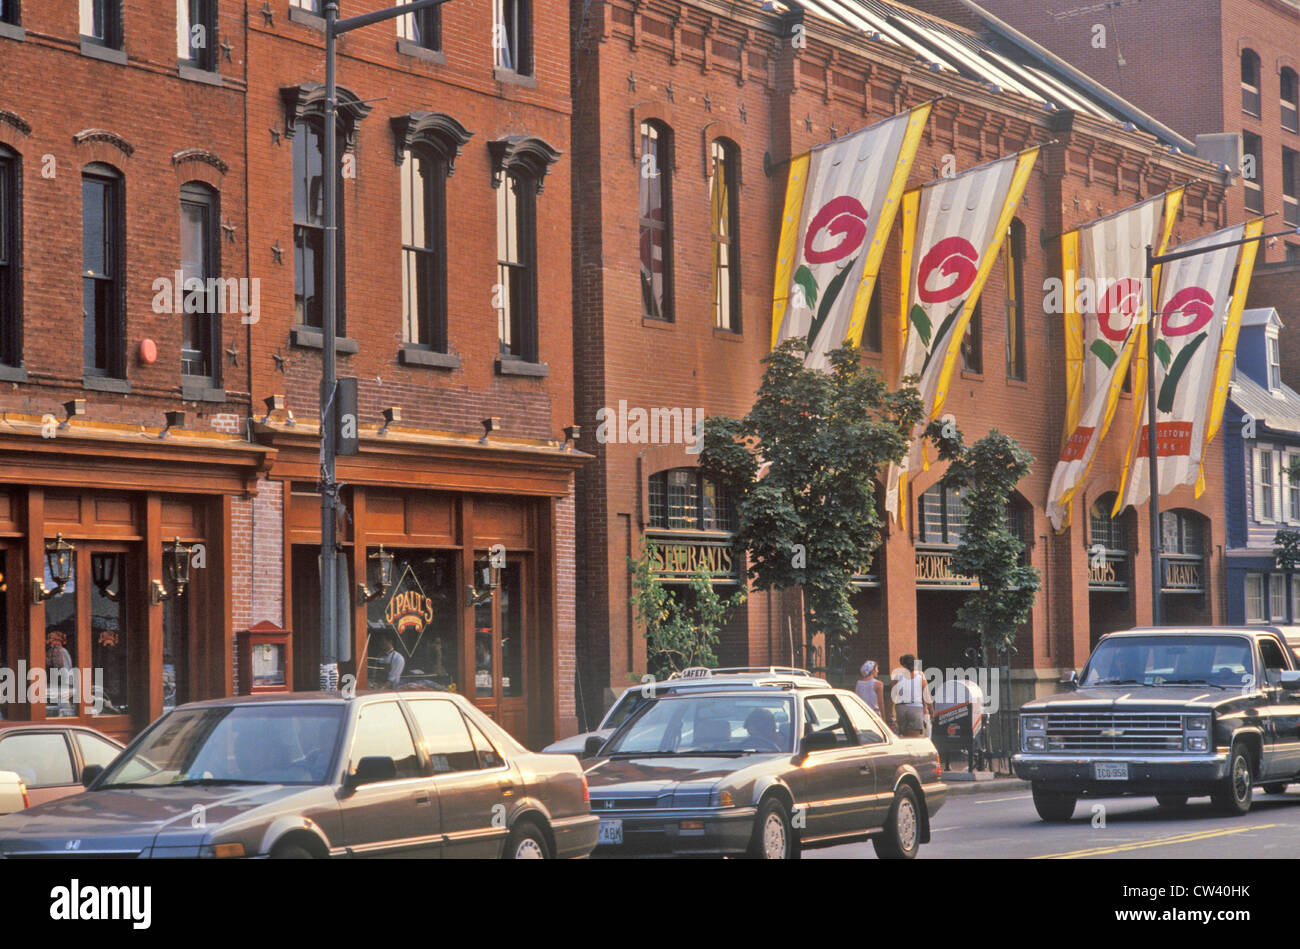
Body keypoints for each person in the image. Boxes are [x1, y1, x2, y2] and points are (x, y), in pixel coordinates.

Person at [892, 653, 932, 737]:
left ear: (903, 664)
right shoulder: (920, 675)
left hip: (900, 708)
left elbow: (893, 695)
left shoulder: (897, 676)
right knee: (914, 737)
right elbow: (927, 695)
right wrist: (932, 711)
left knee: (904, 735)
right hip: (915, 707)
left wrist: (889, 714)